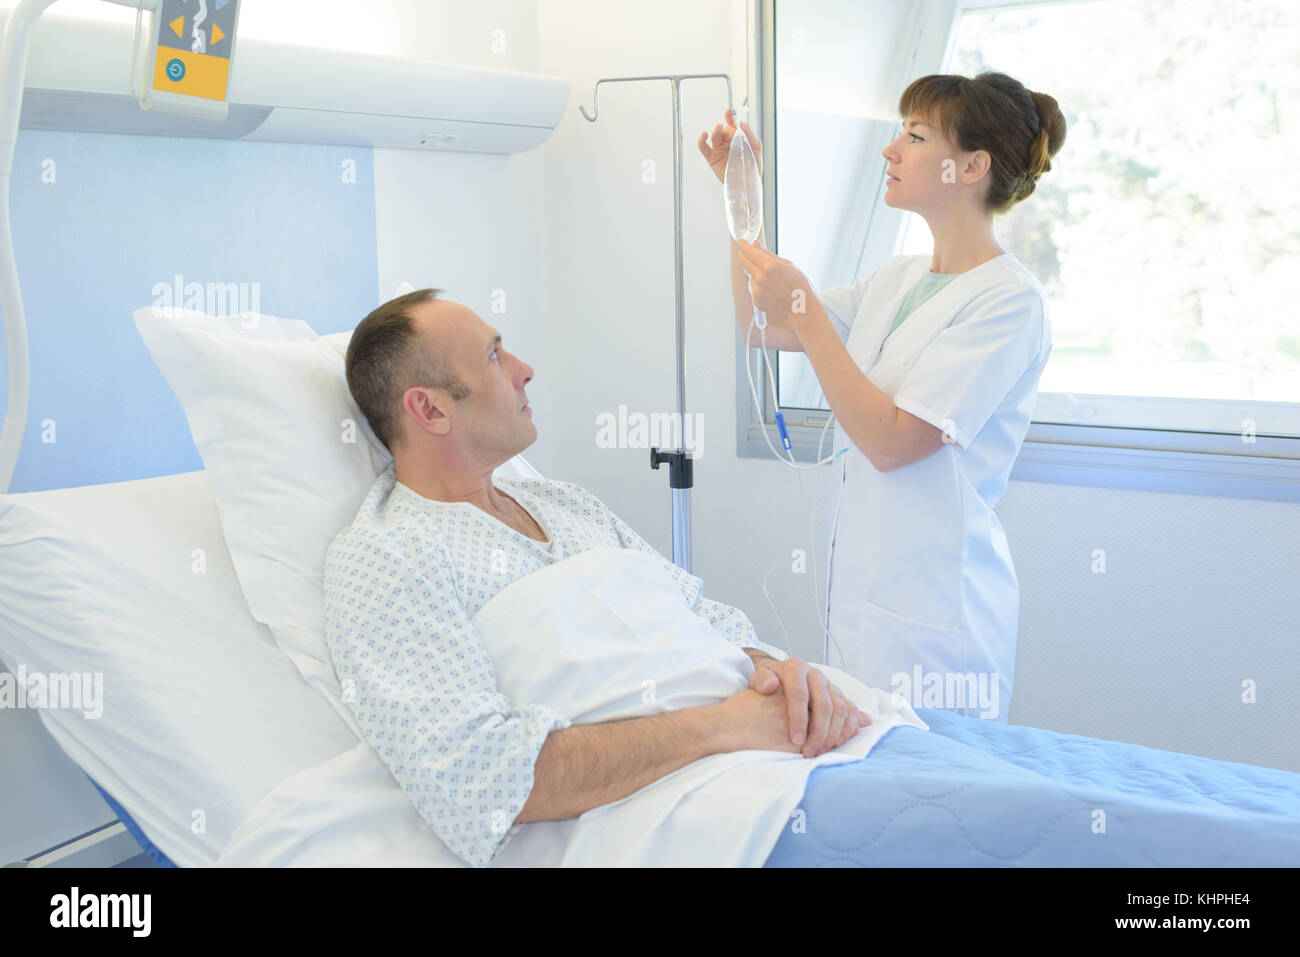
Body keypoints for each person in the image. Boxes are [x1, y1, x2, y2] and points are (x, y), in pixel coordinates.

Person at [322, 288, 871, 867]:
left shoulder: (565, 503)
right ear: (430, 410)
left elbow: (700, 610)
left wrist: (778, 676)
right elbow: (480, 783)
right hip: (687, 800)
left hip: (775, 746)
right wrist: (727, 727)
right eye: (493, 356)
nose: (524, 370)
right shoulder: (387, 556)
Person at [697, 72, 1066, 722]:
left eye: (916, 136)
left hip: (938, 623)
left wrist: (806, 311)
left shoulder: (1009, 301)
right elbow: (765, 325)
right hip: (866, 610)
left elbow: (895, 443)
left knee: (938, 800)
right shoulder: (896, 280)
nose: (891, 150)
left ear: (972, 166)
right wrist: (741, 198)